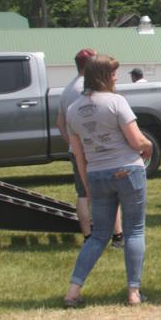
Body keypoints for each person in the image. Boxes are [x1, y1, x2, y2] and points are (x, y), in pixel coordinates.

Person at [62, 54, 153, 307]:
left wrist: (88, 185)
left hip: (96, 174)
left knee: (99, 235)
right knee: (134, 230)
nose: (116, 78)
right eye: (113, 73)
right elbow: (136, 141)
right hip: (127, 171)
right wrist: (149, 147)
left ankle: (73, 291)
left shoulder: (73, 110)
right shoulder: (116, 102)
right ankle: (134, 292)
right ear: (103, 76)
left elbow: (78, 154)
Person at [57, 48, 124, 247]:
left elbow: (60, 123)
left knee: (83, 194)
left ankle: (88, 236)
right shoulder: (88, 89)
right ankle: (118, 236)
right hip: (96, 149)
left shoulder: (67, 89)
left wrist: (72, 145)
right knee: (111, 192)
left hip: (77, 149)